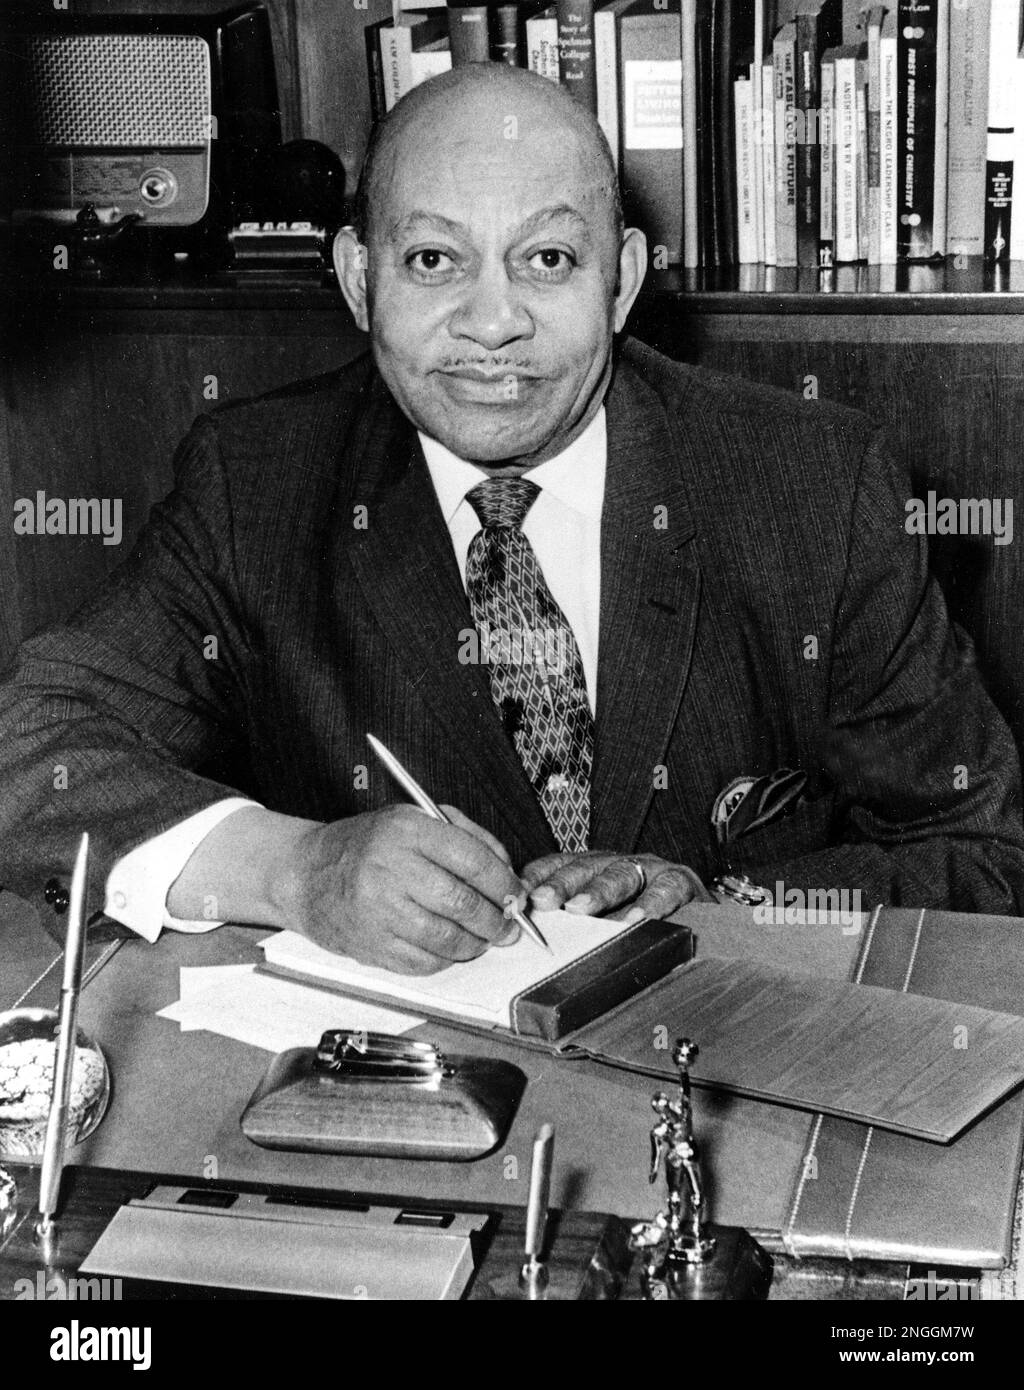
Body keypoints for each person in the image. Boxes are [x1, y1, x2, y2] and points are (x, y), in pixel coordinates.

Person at [1, 64, 1022, 975]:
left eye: (545, 261)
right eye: (435, 263)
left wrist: (727, 905)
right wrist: (297, 867)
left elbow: (987, 854)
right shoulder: (256, 484)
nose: (493, 325)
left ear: (620, 279)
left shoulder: (812, 486)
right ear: (358, 278)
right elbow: (31, 750)